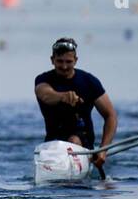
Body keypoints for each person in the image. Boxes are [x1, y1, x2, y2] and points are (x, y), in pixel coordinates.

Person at [34, 37, 117, 167]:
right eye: (59, 61)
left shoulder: (89, 82)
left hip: (83, 144)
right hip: (53, 143)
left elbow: (110, 116)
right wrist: (62, 96)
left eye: (69, 61)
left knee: (74, 139)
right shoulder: (43, 80)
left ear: (76, 61)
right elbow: (44, 94)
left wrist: (103, 150)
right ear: (52, 60)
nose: (64, 66)